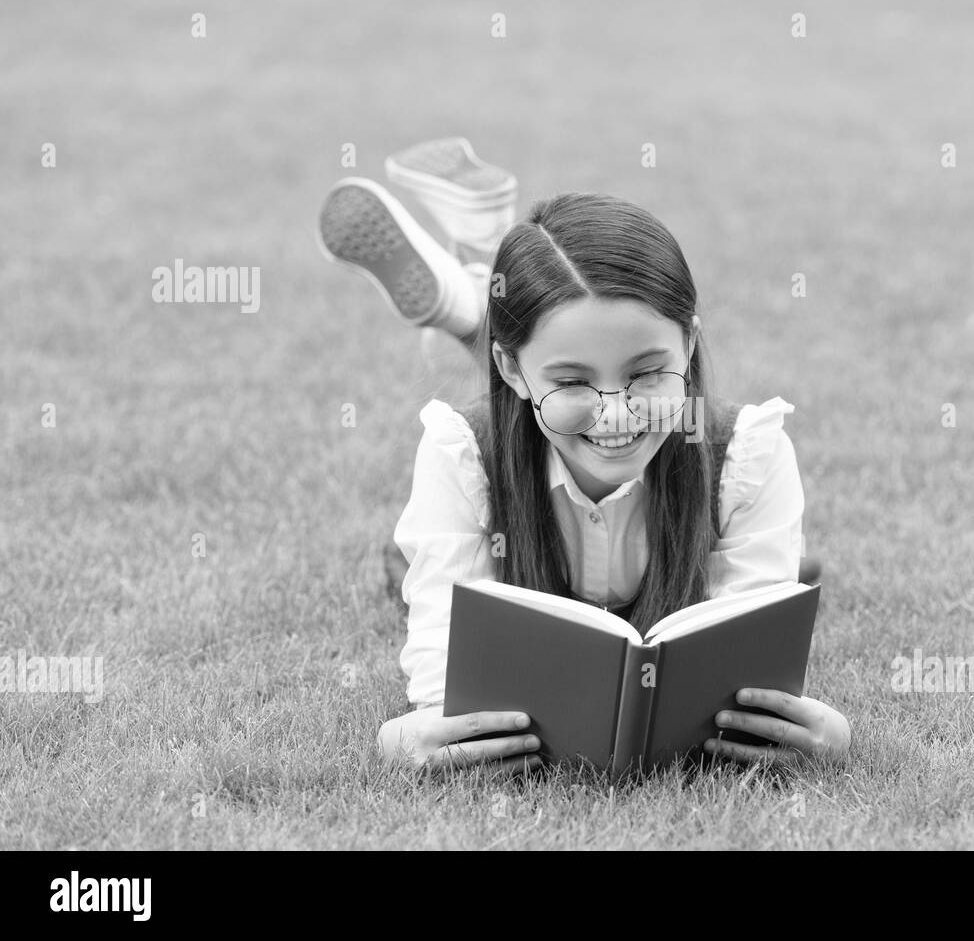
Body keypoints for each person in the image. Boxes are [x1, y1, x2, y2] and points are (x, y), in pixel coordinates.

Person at [318, 139, 851, 776]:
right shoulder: (462, 458)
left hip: (677, 540)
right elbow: (443, 669)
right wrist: (419, 731)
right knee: (411, 564)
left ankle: (472, 298)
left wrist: (825, 733)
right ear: (510, 370)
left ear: (690, 343)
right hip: (500, 530)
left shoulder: (748, 452)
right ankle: (474, 296)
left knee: (791, 567)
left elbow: (753, 665)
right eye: (572, 382)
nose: (617, 415)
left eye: (649, 373)